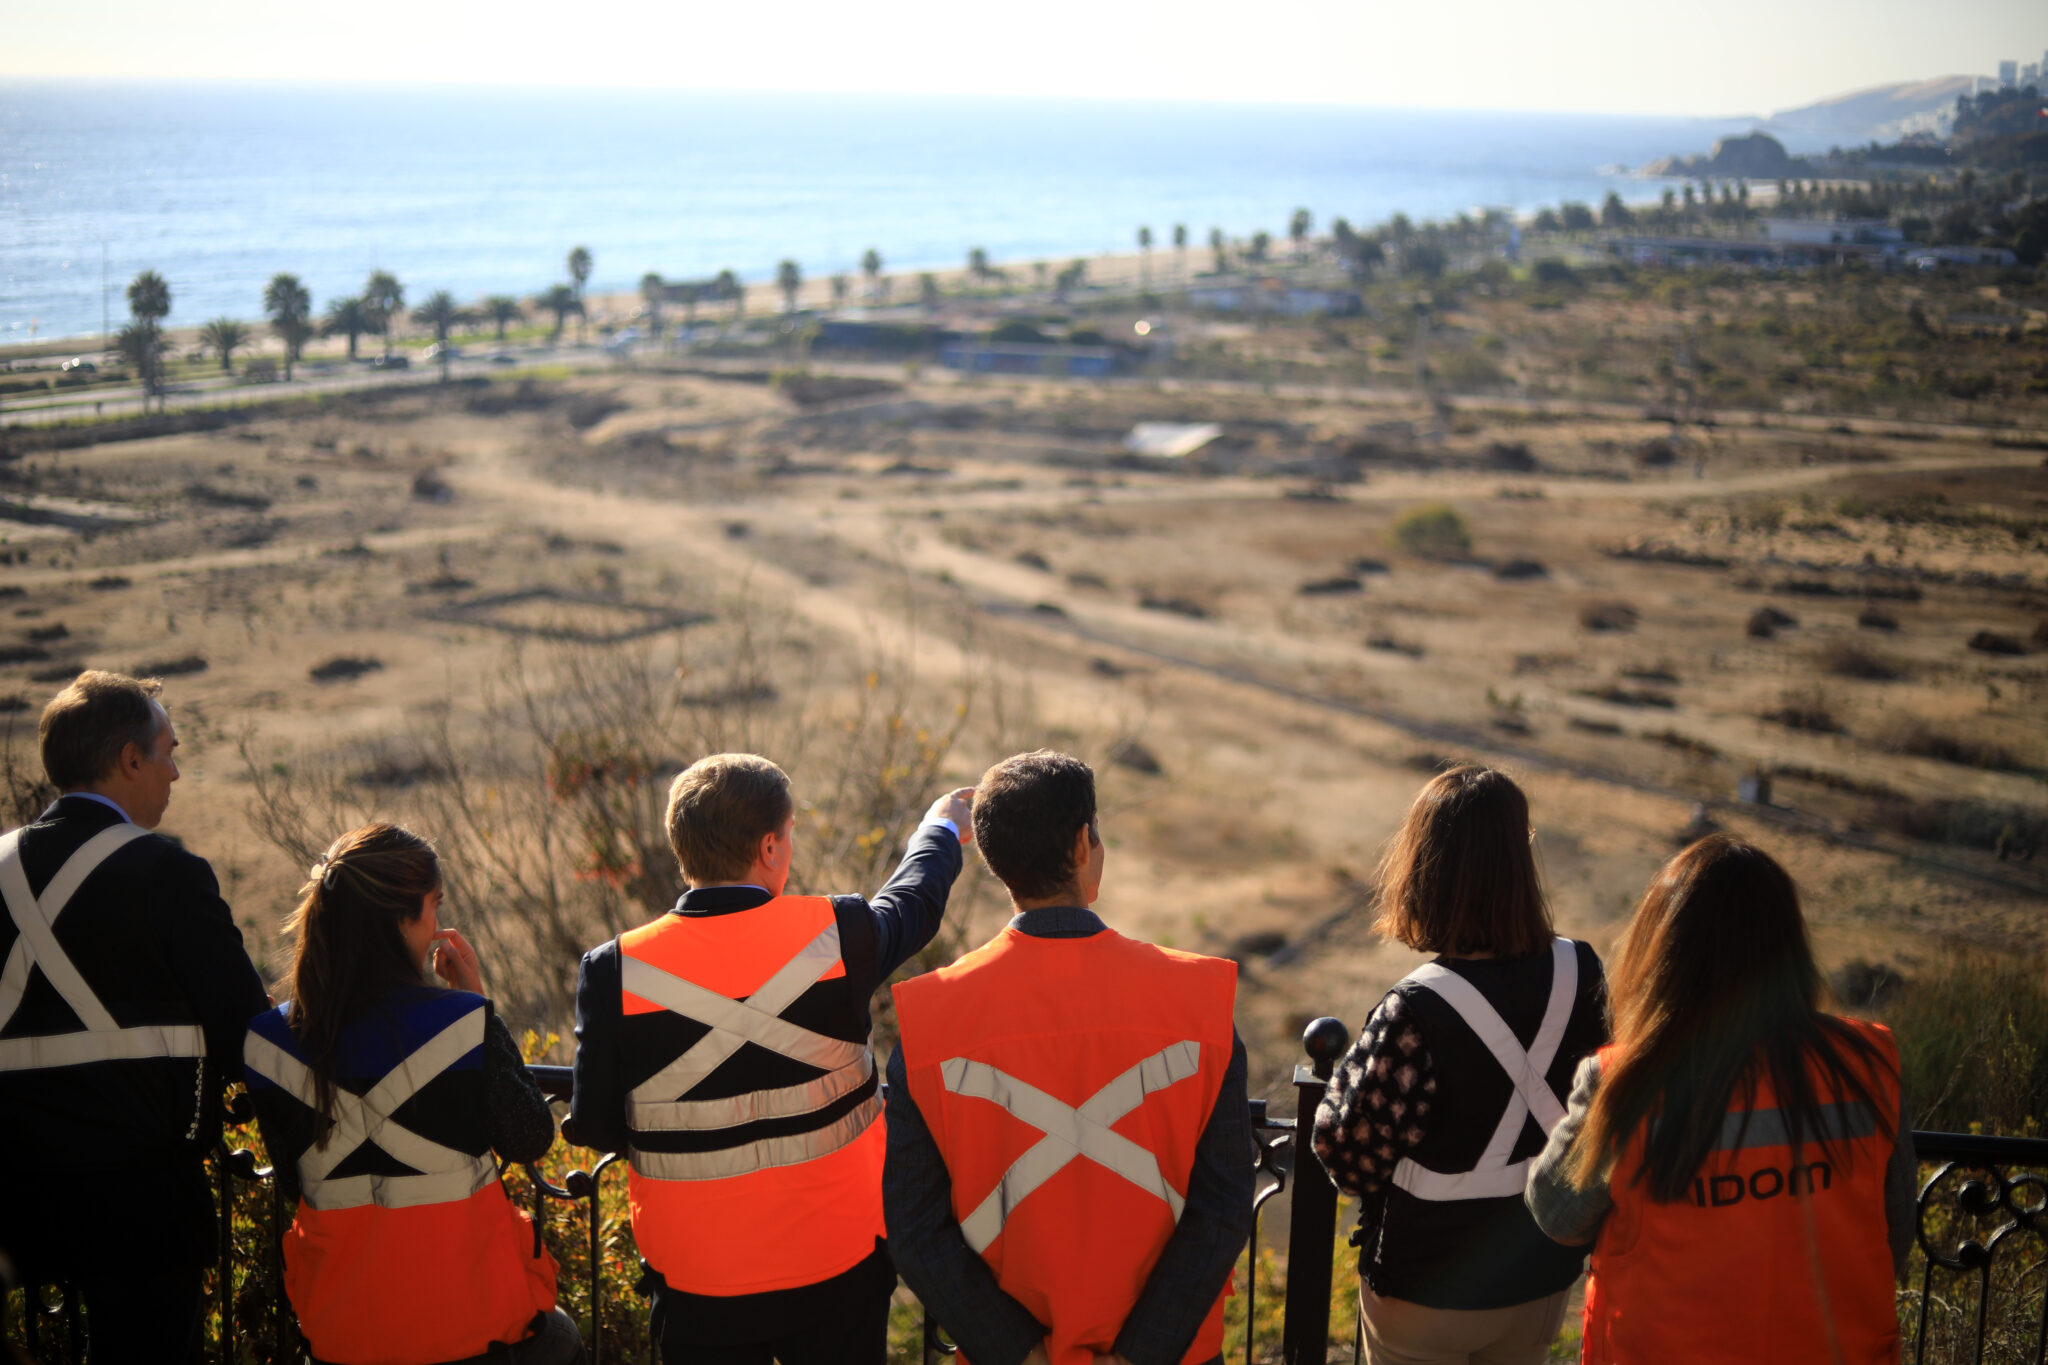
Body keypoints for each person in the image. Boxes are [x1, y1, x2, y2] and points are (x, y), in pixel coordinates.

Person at [565, 753, 973, 1365]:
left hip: (699, 1285)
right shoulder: (838, 935)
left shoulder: (613, 971)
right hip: (839, 1268)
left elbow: (594, 1124)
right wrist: (939, 827)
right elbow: (914, 902)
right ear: (769, 847)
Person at [885, 750, 1252, 1365]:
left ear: (995, 862)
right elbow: (1223, 1206)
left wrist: (1020, 1353)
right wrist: (1141, 1353)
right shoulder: (1200, 1000)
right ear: (1084, 845)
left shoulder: (929, 1018)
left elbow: (918, 1233)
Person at [1525, 835, 1914, 1364]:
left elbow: (1557, 1215)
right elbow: (1893, 1234)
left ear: (1667, 952)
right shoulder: (1868, 1063)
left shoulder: (1625, 1080)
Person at [0, 671, 269, 1364]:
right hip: (141, 1202)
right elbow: (248, 1032)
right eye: (168, 750)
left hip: (17, 1193)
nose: (175, 770)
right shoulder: (168, 873)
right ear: (130, 759)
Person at [243, 823, 578, 1365]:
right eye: (433, 906)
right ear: (402, 918)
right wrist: (477, 1008)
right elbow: (529, 1137)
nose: (437, 925)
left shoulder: (265, 1041)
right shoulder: (463, 1022)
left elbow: (292, 1180)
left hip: (342, 1330)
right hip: (474, 1324)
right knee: (562, 1342)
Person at [1313, 766, 1606, 1365]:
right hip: (1540, 1276)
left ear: (1428, 867)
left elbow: (1346, 1152)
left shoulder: (1416, 1008)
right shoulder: (1584, 974)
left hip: (1426, 1289)